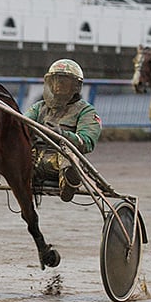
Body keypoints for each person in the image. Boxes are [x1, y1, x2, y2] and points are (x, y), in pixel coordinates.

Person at [25, 58, 102, 202]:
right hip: (35, 158)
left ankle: (68, 181)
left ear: (75, 86)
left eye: (64, 81)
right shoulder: (39, 107)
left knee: (69, 152)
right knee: (20, 149)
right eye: (55, 81)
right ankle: (22, 177)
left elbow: (87, 142)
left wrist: (61, 135)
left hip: (63, 159)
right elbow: (21, 125)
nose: (58, 85)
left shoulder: (86, 111)